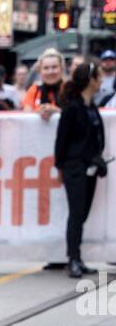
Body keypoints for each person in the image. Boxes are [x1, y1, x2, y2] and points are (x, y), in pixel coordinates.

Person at [54, 61, 106, 279]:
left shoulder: (91, 106)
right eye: (99, 77)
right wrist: (60, 166)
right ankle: (73, 257)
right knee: (76, 213)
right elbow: (61, 140)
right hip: (74, 167)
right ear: (90, 80)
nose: (102, 80)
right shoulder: (73, 108)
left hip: (90, 167)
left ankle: (77, 256)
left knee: (82, 213)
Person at [23, 49, 64, 120]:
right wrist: (38, 112)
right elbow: (26, 115)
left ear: (61, 68)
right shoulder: (34, 90)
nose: (50, 72)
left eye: (54, 67)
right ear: (40, 71)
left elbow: (78, 116)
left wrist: (57, 111)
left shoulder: (71, 90)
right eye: (46, 68)